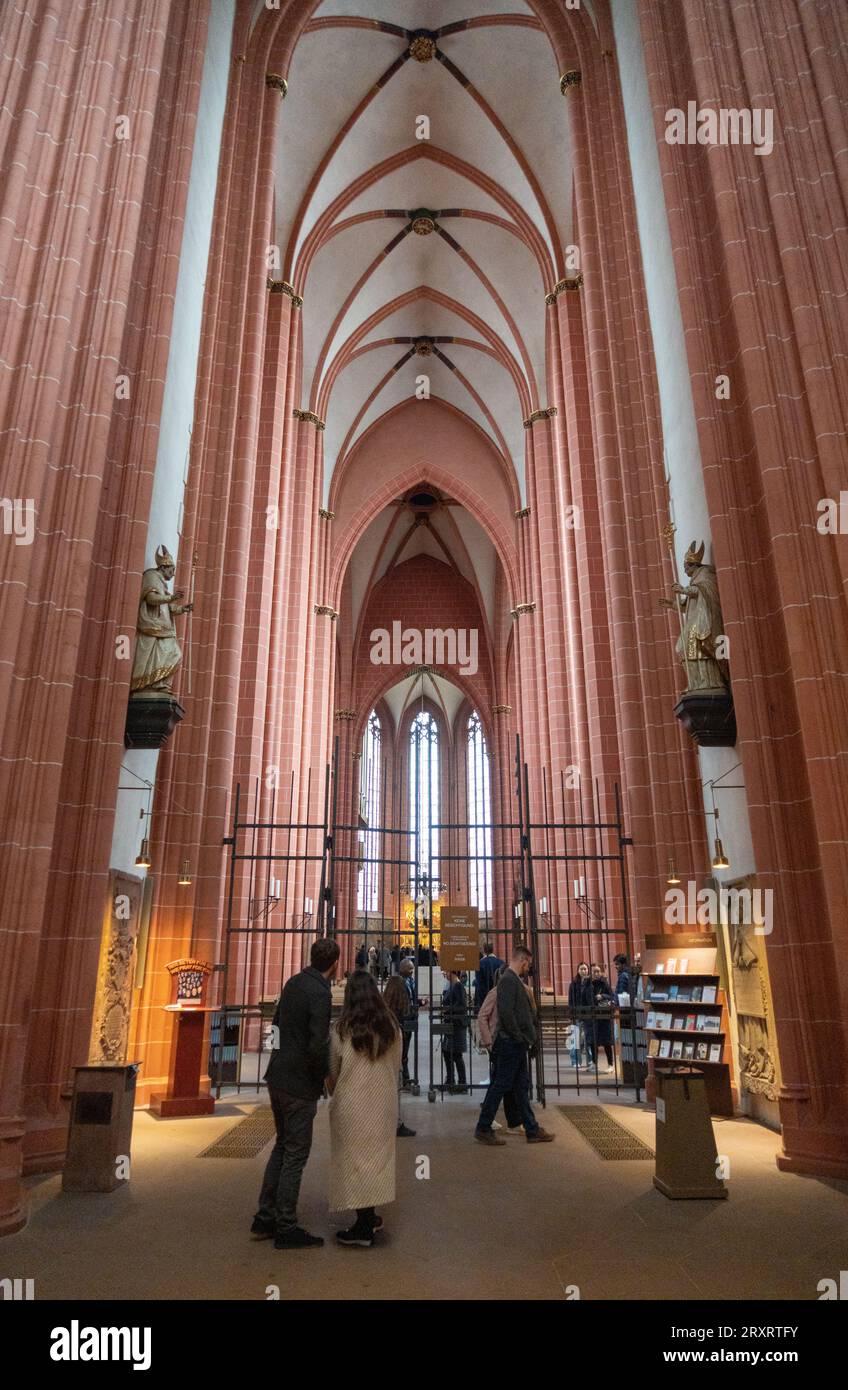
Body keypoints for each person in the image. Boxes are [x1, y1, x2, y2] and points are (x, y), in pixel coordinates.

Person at [252, 936, 340, 1249]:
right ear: (334, 964)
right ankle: (286, 1226)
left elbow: (275, 1027)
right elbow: (318, 1045)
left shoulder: (292, 983)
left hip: (278, 1076)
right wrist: (324, 1079)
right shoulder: (320, 992)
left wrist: (277, 1058)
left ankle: (265, 1218)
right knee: (295, 1155)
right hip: (299, 1084)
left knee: (282, 1146)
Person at [327, 970, 402, 1248]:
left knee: (355, 1161)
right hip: (383, 1103)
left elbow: (333, 1070)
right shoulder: (392, 1028)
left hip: (351, 1103)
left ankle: (363, 1227)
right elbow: (396, 1066)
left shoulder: (341, 1030)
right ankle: (369, 1216)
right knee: (376, 1159)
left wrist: (338, 1088)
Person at [475, 945, 555, 1145]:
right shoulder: (508, 981)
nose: (529, 967)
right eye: (528, 963)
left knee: (521, 1087)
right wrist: (520, 1036)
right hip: (510, 1043)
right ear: (522, 960)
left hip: (515, 1043)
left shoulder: (513, 981)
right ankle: (483, 1127)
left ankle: (532, 1129)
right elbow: (507, 1013)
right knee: (501, 1085)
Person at [477, 963, 523, 1133]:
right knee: (500, 1083)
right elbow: (482, 1016)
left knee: (507, 1083)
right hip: (498, 1043)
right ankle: (487, 1121)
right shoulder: (495, 992)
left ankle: (514, 1122)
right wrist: (488, 1042)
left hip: (510, 1043)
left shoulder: (512, 993)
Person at [383, 975, 416, 1137]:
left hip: (385, 1050)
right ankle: (396, 1122)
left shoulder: (383, 1007)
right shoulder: (403, 1005)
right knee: (398, 1074)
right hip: (400, 1040)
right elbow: (408, 1017)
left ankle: (387, 1119)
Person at [442, 970, 468, 1093]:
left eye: (446, 972)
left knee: (456, 1054)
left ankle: (462, 1083)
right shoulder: (452, 985)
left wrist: (448, 1010)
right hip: (451, 1024)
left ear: (452, 973)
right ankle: (450, 1080)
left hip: (456, 1025)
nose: (445, 974)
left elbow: (462, 1006)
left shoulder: (458, 986)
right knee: (447, 1052)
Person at [588, 962, 615, 1072]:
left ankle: (610, 1064)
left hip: (604, 1016)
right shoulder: (589, 984)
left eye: (598, 971)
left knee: (606, 1042)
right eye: (594, 972)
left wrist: (602, 996)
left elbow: (611, 995)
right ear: (591, 973)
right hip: (593, 1016)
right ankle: (594, 1063)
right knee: (593, 1041)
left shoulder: (605, 983)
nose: (596, 973)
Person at [398, 956, 418, 1088]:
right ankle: (404, 1079)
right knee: (402, 1053)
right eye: (410, 968)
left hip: (410, 1019)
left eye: (412, 968)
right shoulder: (399, 984)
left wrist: (419, 1003)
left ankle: (406, 1078)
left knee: (405, 1051)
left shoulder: (411, 981)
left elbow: (412, 999)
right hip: (403, 1021)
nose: (412, 970)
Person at [567, 961, 591, 1067]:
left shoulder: (590, 983)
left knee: (588, 1038)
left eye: (585, 969)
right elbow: (571, 1001)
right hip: (576, 1014)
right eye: (581, 969)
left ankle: (590, 1061)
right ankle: (575, 1061)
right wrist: (571, 1014)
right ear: (578, 970)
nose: (583, 971)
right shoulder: (574, 984)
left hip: (588, 1014)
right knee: (574, 1038)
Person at [474, 941, 504, 1011]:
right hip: (497, 997)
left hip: (484, 999)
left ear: (484, 950)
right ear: (493, 949)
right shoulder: (501, 963)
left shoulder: (479, 964)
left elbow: (479, 984)